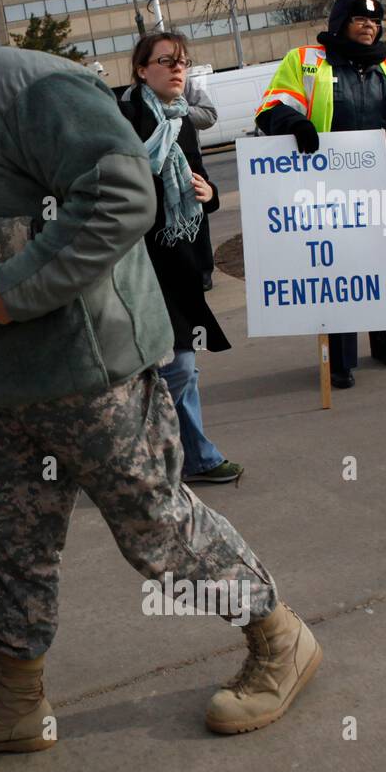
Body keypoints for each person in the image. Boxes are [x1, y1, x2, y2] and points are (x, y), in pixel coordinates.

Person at [0, 0, 321, 765]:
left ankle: (279, 639)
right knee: (5, 541)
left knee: (158, 531)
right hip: (12, 387)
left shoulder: (31, 86)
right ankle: (17, 703)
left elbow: (125, 197)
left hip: (92, 376)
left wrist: (15, 287)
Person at [255, 0, 386, 388]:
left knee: (385, 265)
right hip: (328, 190)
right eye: (361, 19)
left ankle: (385, 343)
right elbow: (272, 106)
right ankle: (340, 358)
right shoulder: (305, 62)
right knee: (339, 270)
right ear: (340, 21)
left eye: (376, 21)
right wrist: (294, 124)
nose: (370, 26)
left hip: (383, 183)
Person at [117, 33, 243, 485]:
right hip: (138, 264)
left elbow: (201, 184)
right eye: (166, 61)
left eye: (183, 62)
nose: (177, 69)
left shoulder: (182, 119)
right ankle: (194, 458)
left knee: (174, 366)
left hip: (184, 260)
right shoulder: (123, 118)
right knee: (177, 365)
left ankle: (176, 458)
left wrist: (209, 196)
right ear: (141, 69)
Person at [184, 74, 218, 291]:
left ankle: (204, 270)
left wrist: (180, 110)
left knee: (198, 215)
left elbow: (209, 115)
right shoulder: (133, 96)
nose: (174, 67)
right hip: (155, 167)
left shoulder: (186, 86)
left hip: (190, 161)